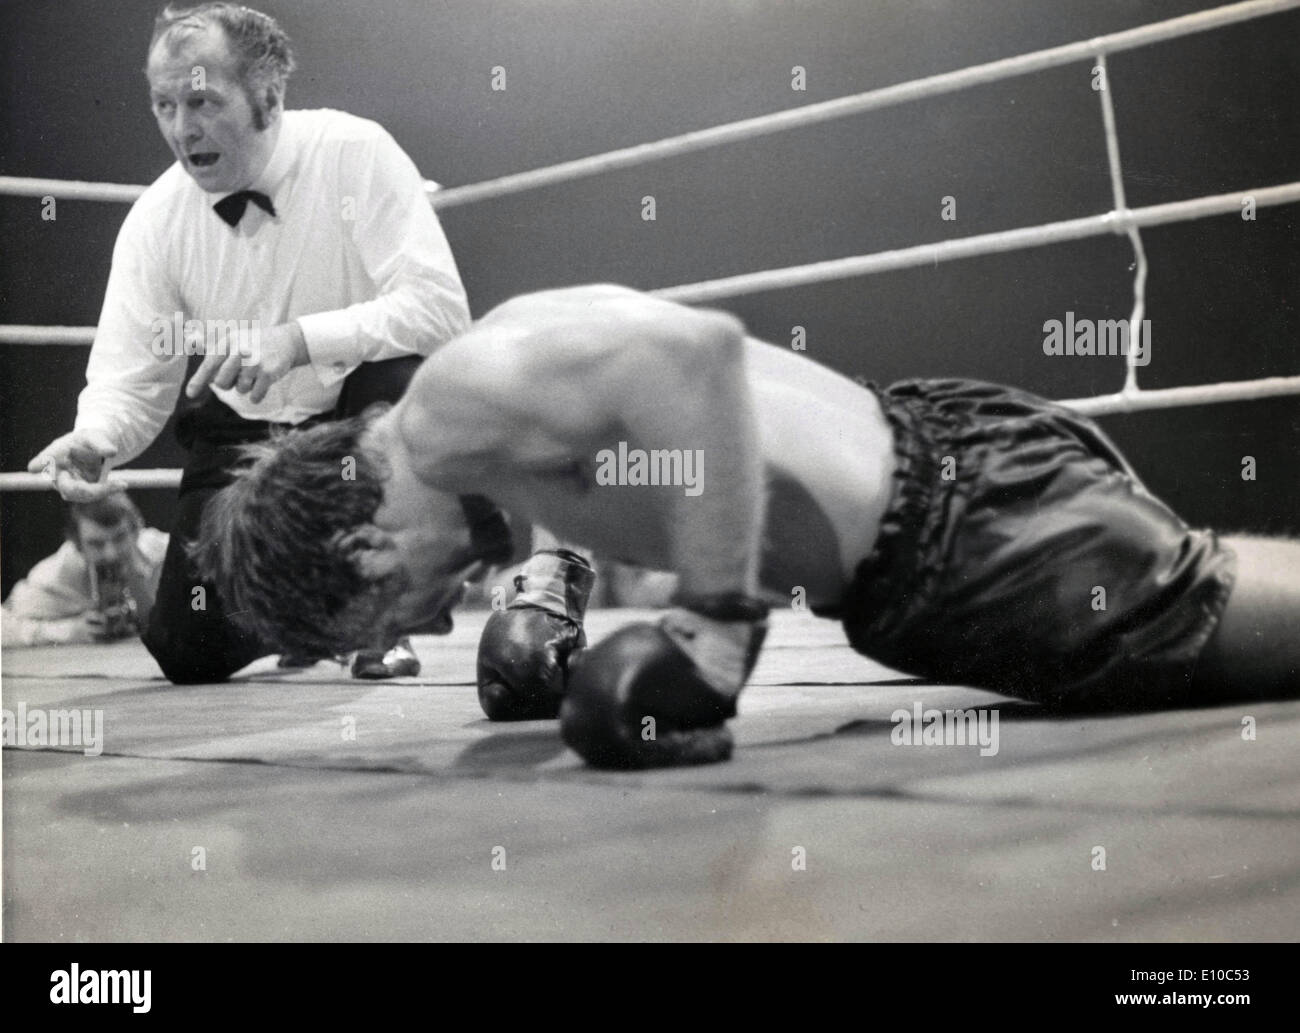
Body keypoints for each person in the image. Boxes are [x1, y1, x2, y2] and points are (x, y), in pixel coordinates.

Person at [193, 284, 1300, 768]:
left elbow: (690, 355)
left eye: (386, 613)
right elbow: (622, 445)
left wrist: (717, 624)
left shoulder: (443, 418)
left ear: (362, 549)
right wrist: (550, 587)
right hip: (943, 453)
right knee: (1218, 592)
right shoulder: (479, 396)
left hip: (959, 548)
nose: (430, 623)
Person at [26, 3, 472, 682]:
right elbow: (132, 375)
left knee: (404, 378)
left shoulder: (356, 152)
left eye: (201, 100)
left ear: (268, 96)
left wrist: (299, 340)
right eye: (164, 104)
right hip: (243, 433)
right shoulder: (157, 220)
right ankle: (311, 617)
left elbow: (441, 312)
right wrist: (97, 439)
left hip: (357, 417)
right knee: (185, 649)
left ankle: (388, 616)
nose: (182, 128)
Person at [2, 495, 168, 648]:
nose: (111, 554)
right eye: (96, 544)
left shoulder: (166, 552)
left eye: (119, 538)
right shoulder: (57, 573)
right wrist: (67, 631)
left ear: (136, 530)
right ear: (77, 545)